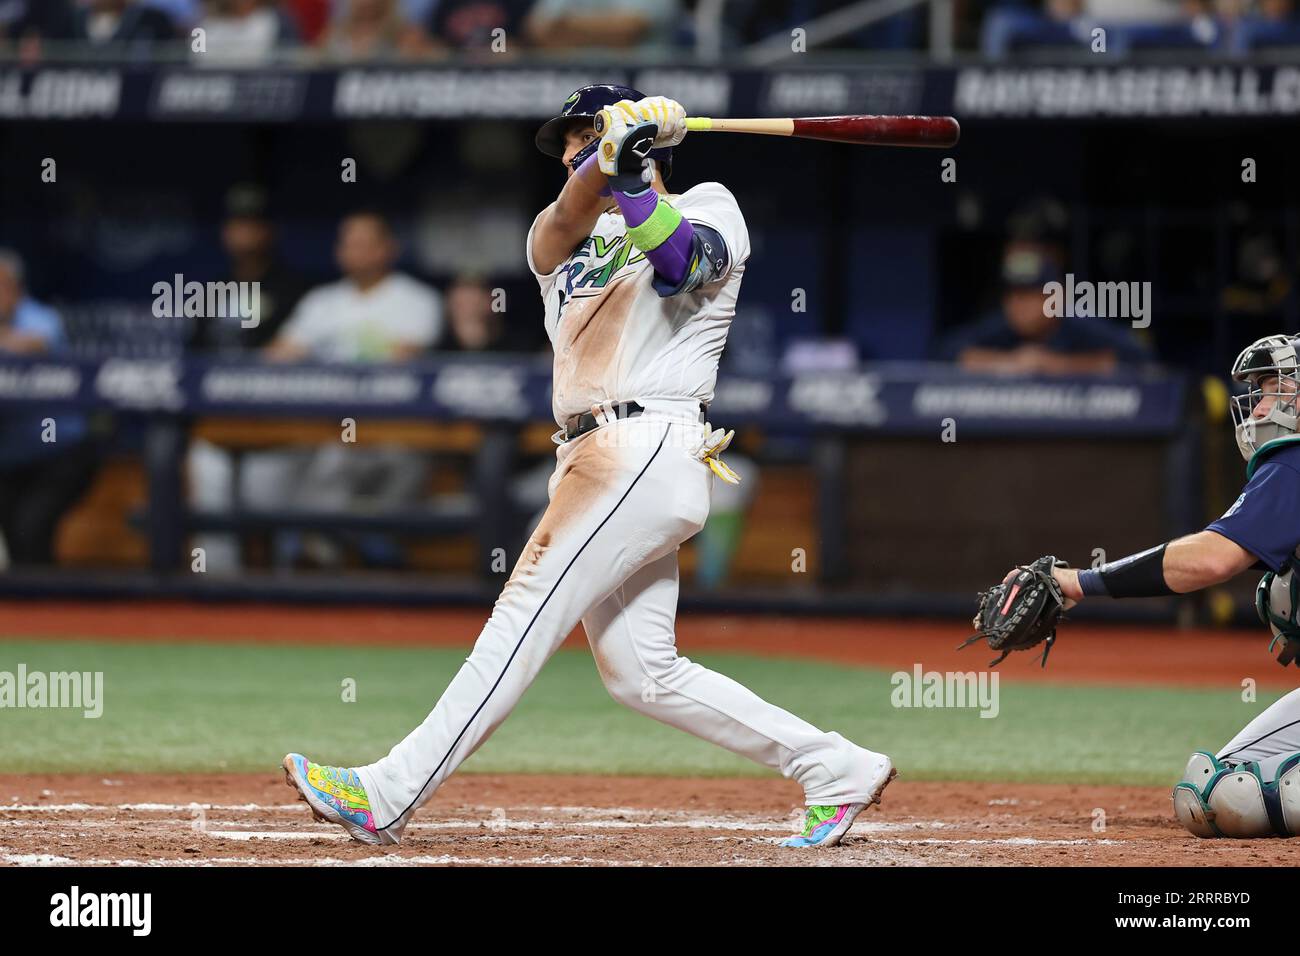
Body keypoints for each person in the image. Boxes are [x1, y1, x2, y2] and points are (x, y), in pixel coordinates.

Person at [282, 84, 896, 850]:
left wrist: (635, 169)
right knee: (645, 673)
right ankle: (834, 766)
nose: (572, 152)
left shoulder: (712, 204)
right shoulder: (561, 239)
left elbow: (680, 263)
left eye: (585, 135)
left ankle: (388, 791)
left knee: (522, 612)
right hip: (587, 453)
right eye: (569, 143)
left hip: (644, 444)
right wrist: (613, 153)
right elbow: (569, 212)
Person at [998, 333, 1300, 838]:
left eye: (1274, 386)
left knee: (1233, 796)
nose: (1260, 403)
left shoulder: (1292, 462)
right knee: (1216, 791)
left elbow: (1209, 560)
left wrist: (1077, 582)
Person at [0, 250, 97, 566]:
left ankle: (46, 611)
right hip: (11, 460)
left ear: (16, 288)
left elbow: (33, 344)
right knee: (15, 536)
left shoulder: (39, 317)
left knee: (31, 528)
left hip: (60, 452)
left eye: (2, 285)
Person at [938, 241, 1149, 375]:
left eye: (1030, 295)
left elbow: (1136, 358)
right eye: (1013, 295)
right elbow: (945, 351)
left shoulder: (1077, 324)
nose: (1018, 305)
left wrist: (1058, 365)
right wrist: (1007, 362)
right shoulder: (1002, 326)